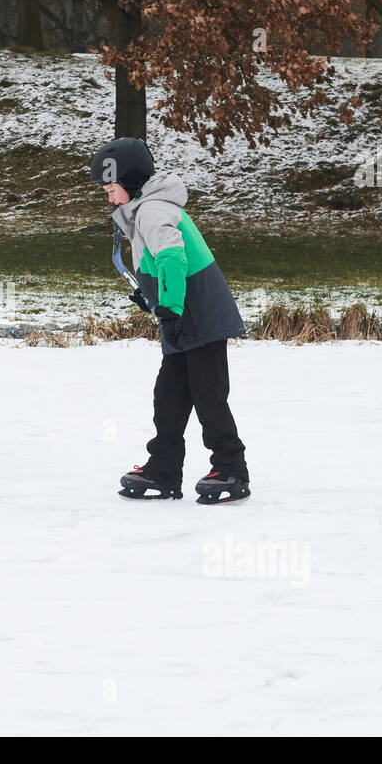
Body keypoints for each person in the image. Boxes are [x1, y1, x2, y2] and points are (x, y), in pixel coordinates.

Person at [91, 137, 251, 504]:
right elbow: (159, 265)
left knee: (208, 394)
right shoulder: (144, 210)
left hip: (199, 317)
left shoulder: (151, 210)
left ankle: (231, 469)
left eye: (111, 189)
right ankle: (163, 470)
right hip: (182, 317)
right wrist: (154, 299)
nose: (110, 198)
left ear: (129, 183)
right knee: (170, 397)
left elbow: (174, 259)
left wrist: (171, 307)